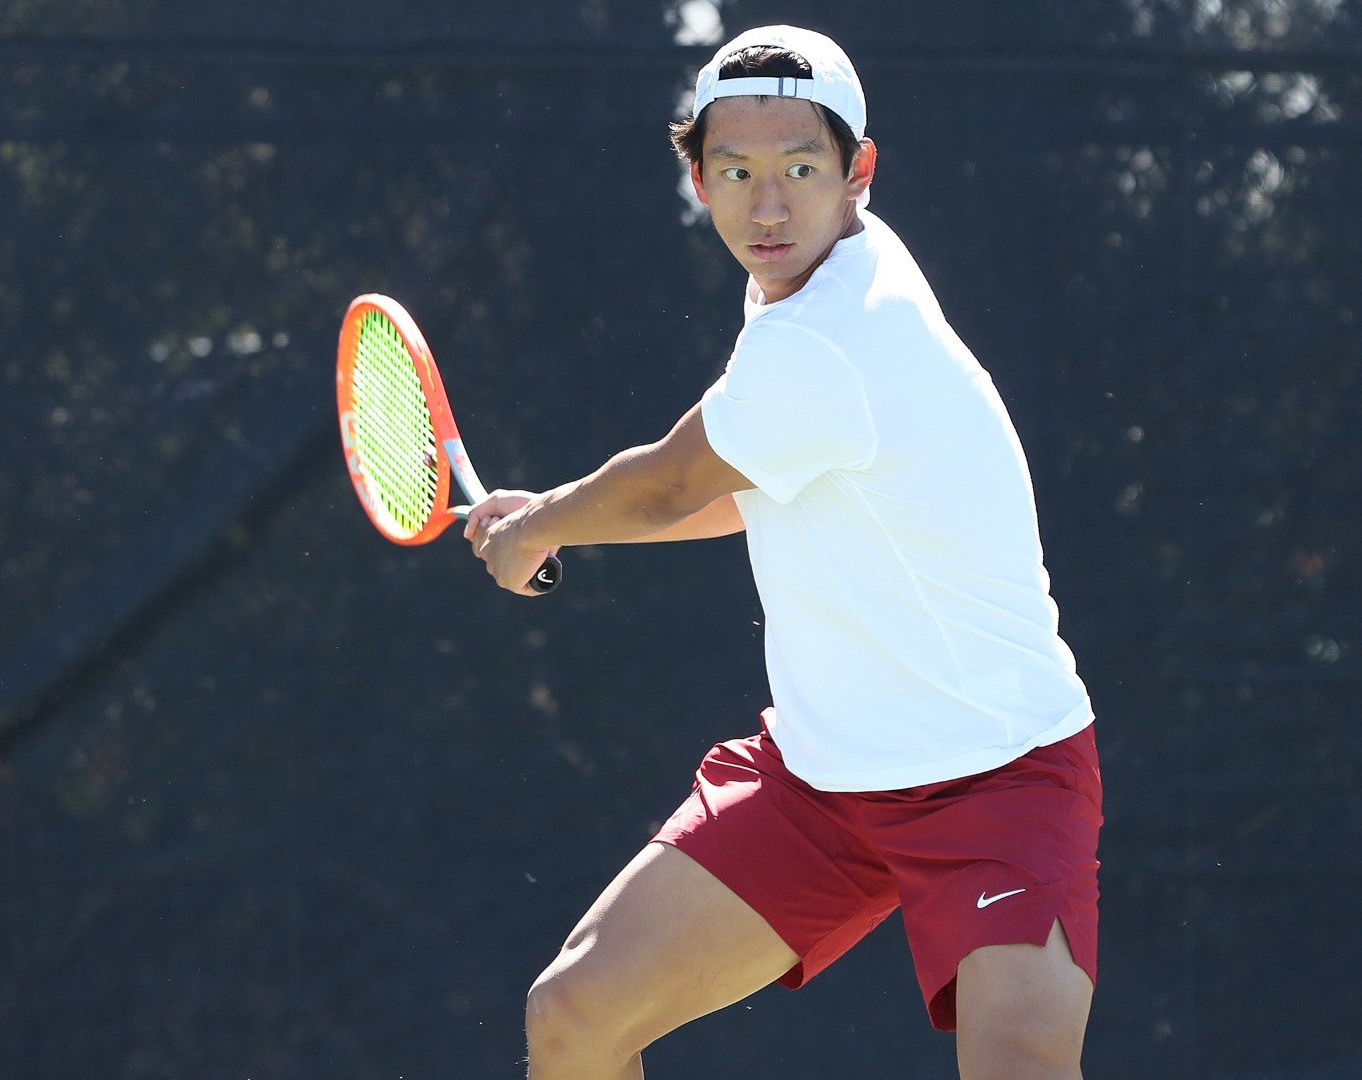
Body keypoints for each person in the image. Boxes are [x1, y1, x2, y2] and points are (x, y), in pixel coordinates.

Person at [463, 24, 1102, 1080]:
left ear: (859, 171)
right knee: (576, 1017)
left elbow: (672, 480)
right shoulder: (808, 280)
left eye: (801, 170)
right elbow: (747, 484)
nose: (767, 206)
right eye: (736, 173)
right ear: (698, 181)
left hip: (1001, 780)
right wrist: (559, 513)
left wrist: (542, 525)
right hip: (822, 778)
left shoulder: (836, 331)